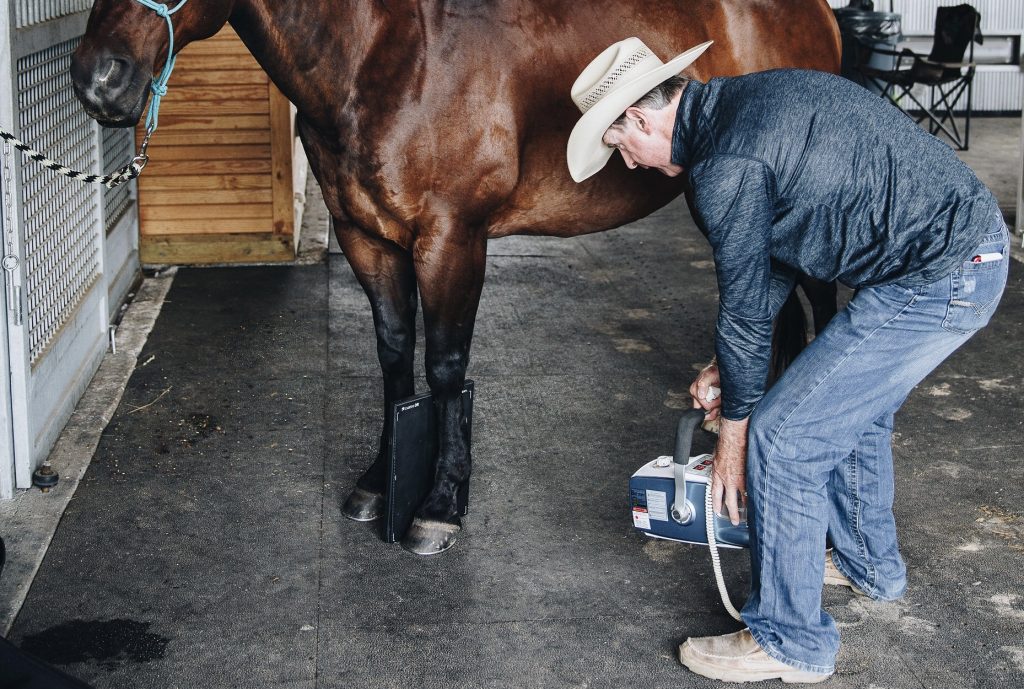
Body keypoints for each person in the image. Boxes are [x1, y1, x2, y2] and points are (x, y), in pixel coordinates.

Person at [567, 38, 1009, 683]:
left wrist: (734, 436)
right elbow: (774, 256)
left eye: (620, 144)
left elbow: (748, 310)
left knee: (784, 438)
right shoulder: (746, 103)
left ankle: (791, 642)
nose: (628, 162)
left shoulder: (725, 165)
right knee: (848, 412)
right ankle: (868, 565)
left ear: (639, 116)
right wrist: (727, 364)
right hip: (959, 254)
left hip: (940, 274)